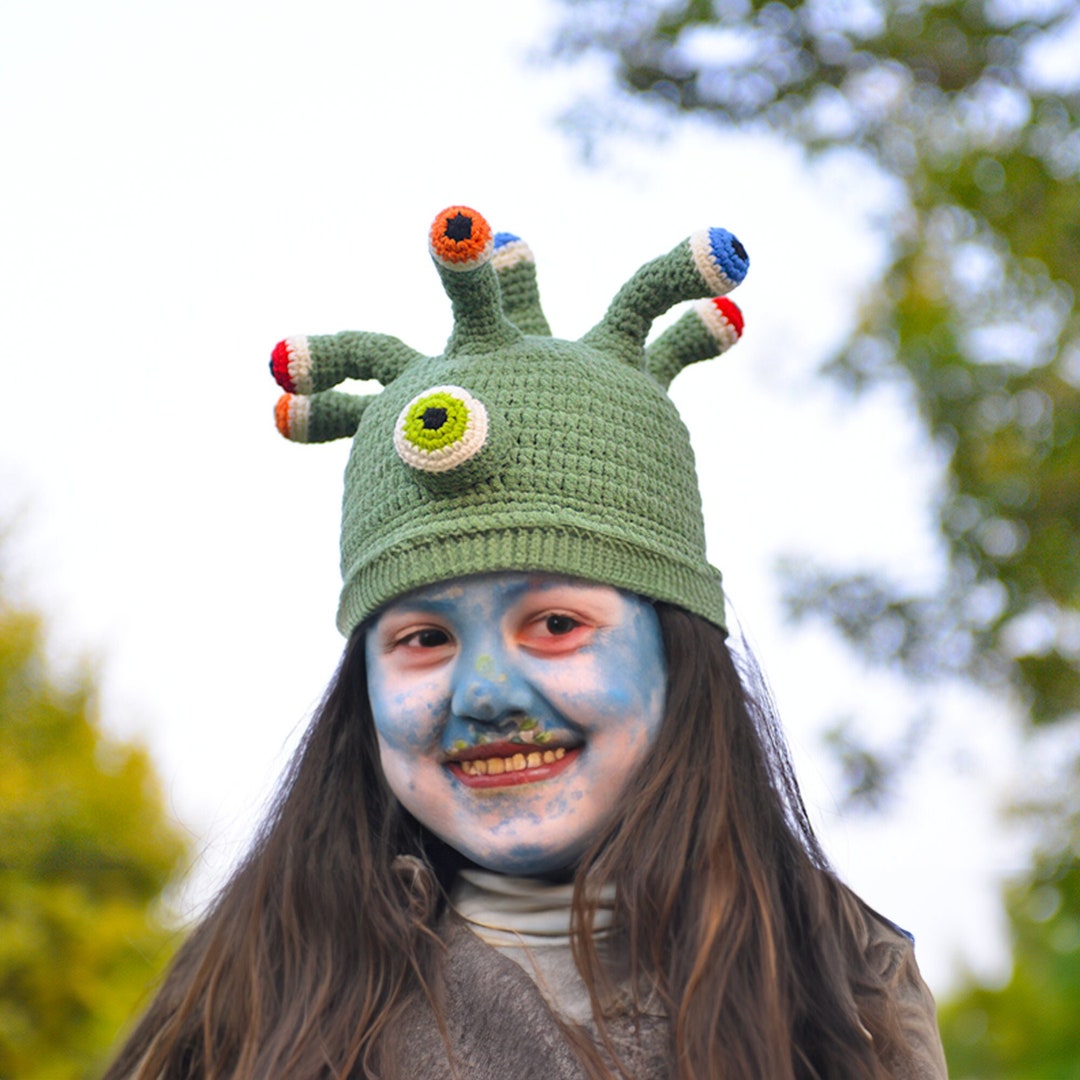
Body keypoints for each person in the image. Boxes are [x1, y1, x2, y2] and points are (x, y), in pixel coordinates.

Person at [105, 207, 948, 1079]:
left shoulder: (846, 992)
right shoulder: (247, 1007)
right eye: (424, 637)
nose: (484, 692)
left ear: (677, 652)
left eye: (555, 625)